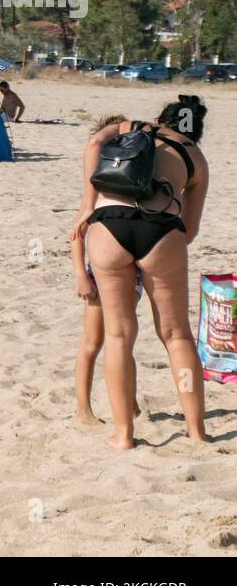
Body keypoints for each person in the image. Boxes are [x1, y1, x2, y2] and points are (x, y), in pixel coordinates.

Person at [72, 95, 210, 449]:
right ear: (195, 130)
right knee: (177, 335)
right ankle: (196, 431)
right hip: (162, 232)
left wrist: (89, 203)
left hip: (108, 226)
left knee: (118, 335)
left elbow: (94, 142)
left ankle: (123, 434)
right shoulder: (195, 156)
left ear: (159, 117)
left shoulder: (128, 127)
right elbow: (189, 230)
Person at [72, 114, 144, 425]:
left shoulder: (133, 190)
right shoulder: (96, 193)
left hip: (131, 274)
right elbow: (76, 234)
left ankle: (131, 402)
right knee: (93, 342)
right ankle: (83, 409)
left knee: (123, 339)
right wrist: (80, 275)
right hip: (97, 276)